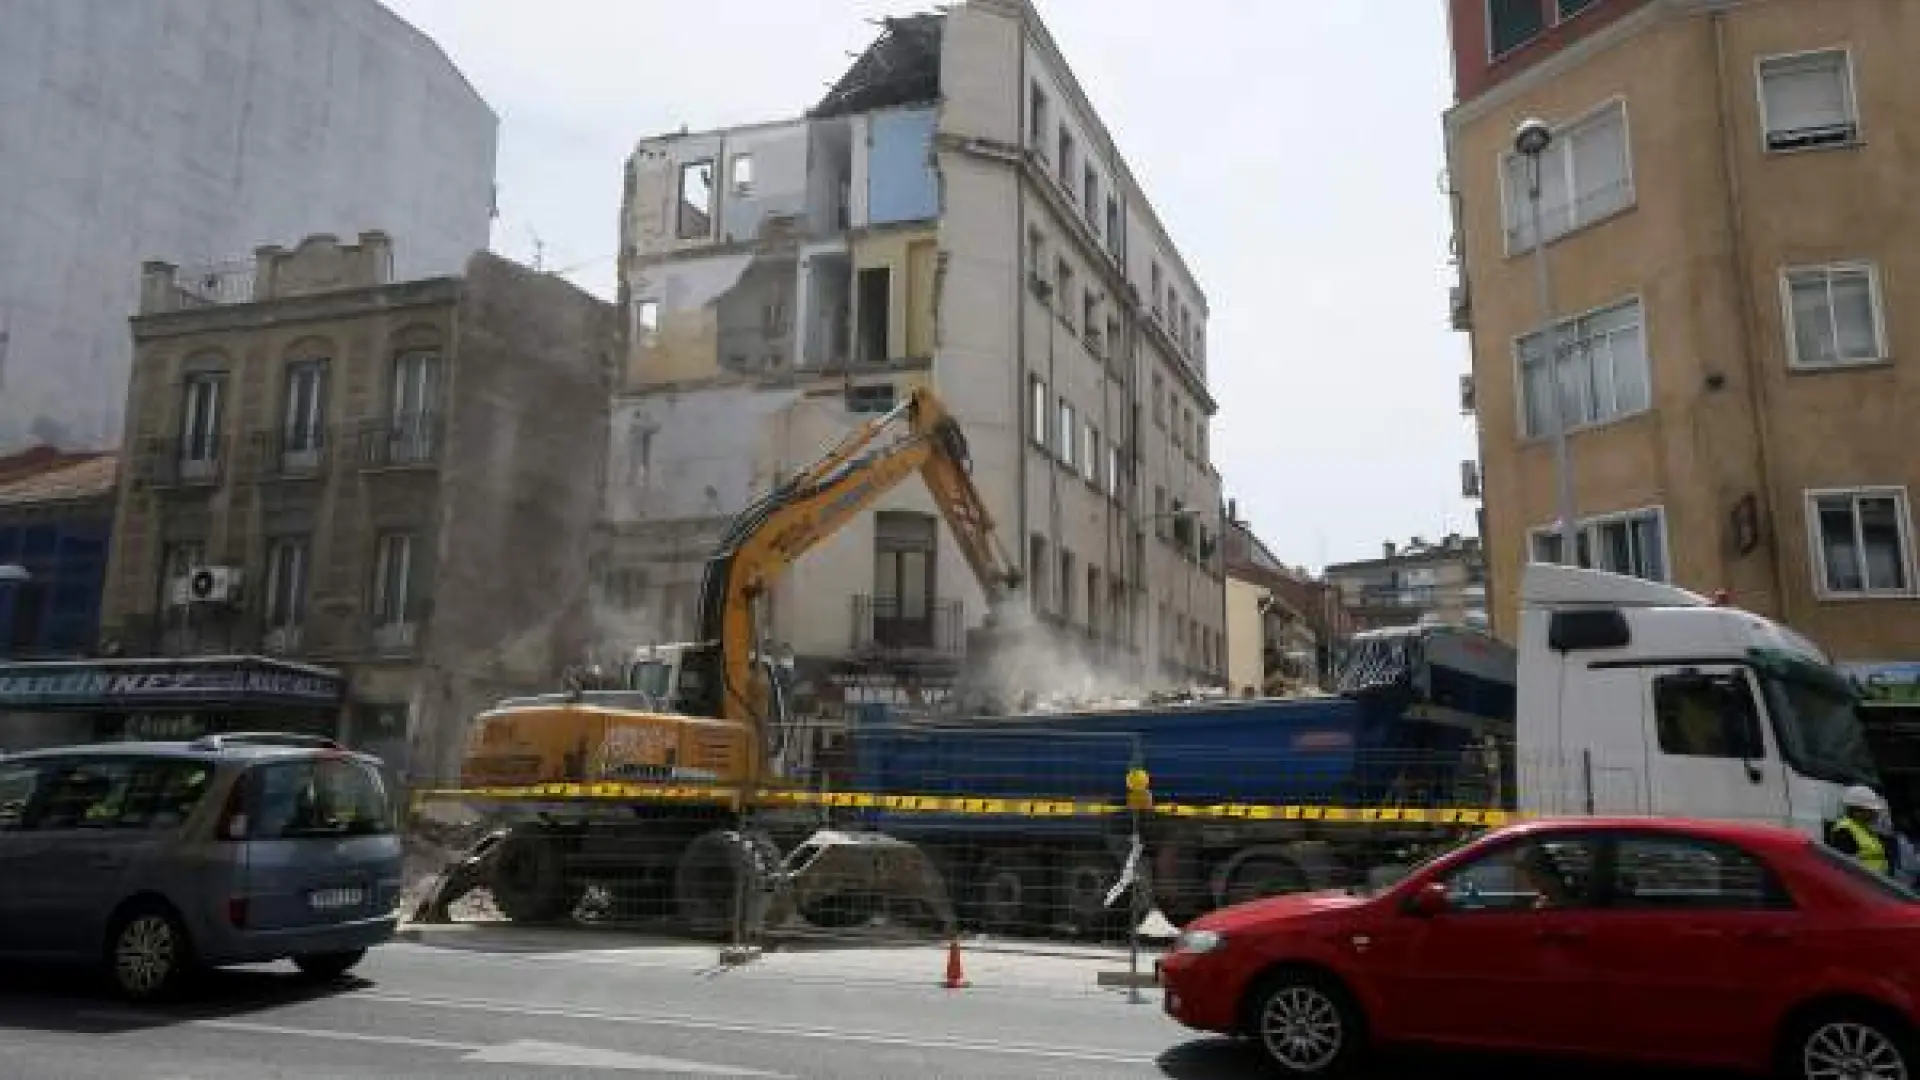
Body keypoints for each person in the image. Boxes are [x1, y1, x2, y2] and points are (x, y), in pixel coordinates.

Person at [1828, 785, 1895, 876]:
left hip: (1877, 881)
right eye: (1870, 810)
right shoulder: (1844, 829)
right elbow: (1845, 864)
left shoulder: (1865, 828)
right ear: (1857, 810)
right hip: (1860, 882)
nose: (1874, 814)